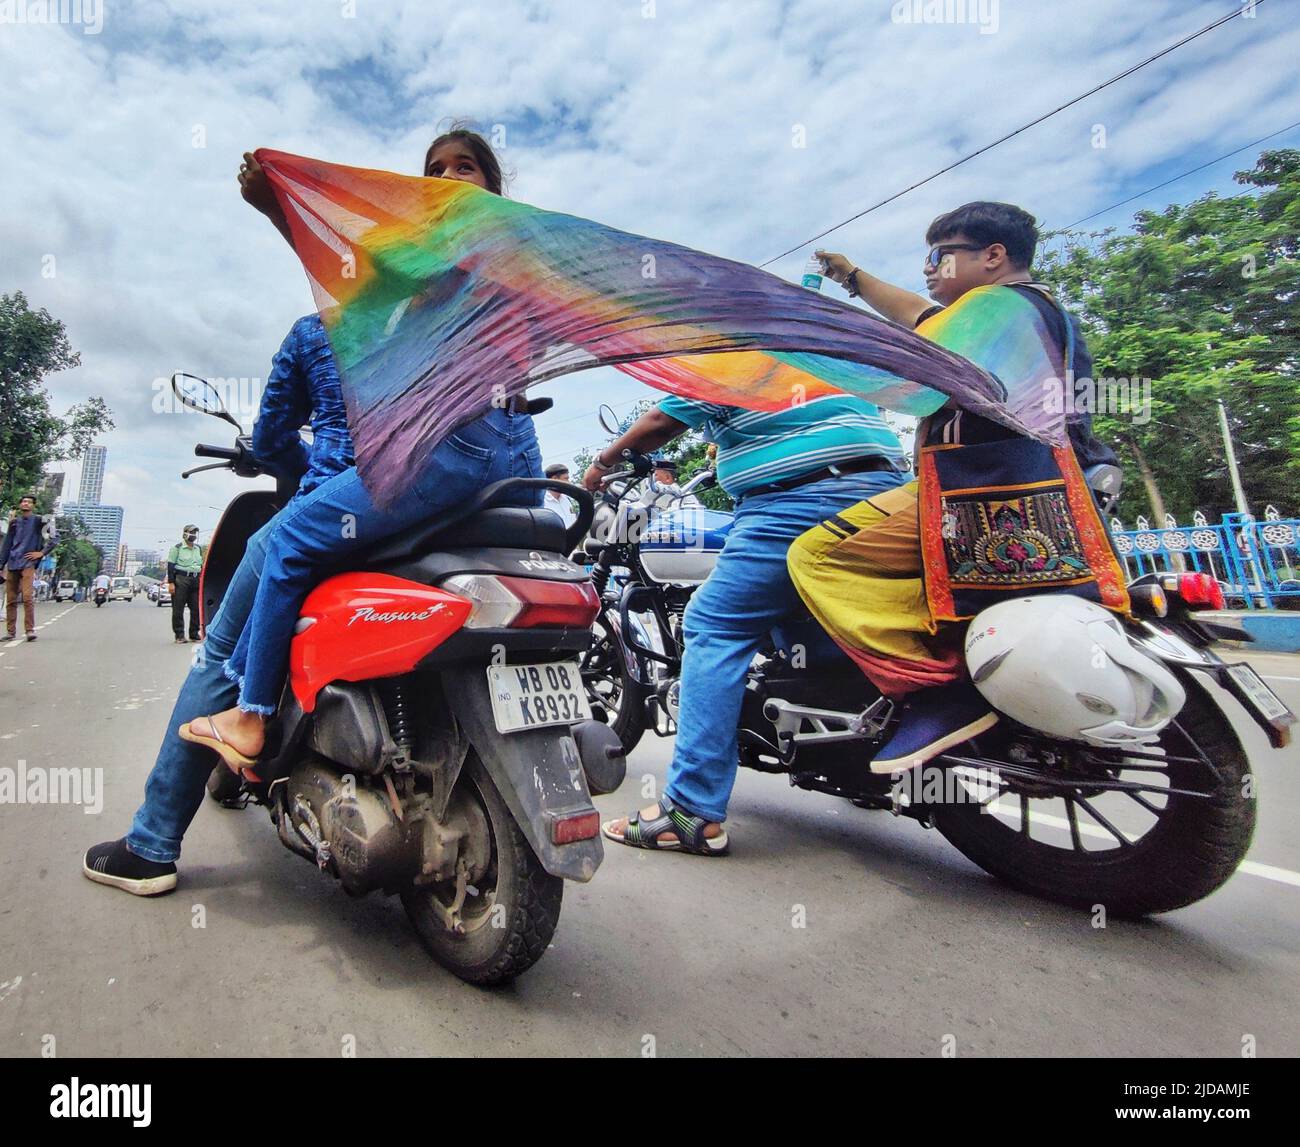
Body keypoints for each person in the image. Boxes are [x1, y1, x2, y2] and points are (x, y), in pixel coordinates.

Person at [176, 127, 543, 772]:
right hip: (519, 455)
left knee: (286, 542)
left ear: (492, 186)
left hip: (455, 449)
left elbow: (345, 279)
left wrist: (276, 207)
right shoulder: (526, 259)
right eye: (436, 169)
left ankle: (251, 715)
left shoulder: (454, 252)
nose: (449, 177)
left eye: (466, 167)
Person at [791, 201, 1122, 772]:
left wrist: (799, 335)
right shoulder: (1021, 313)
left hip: (995, 487)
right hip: (1048, 483)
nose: (927, 269)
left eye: (939, 256)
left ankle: (933, 690)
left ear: (993, 257)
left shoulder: (994, 308)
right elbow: (918, 315)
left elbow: (902, 366)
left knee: (816, 557)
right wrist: (852, 278)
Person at [83, 290, 360, 894]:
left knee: (218, 654)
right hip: (441, 509)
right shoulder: (446, 324)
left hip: (332, 503)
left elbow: (271, 437)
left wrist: (297, 456)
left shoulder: (320, 330)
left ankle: (151, 844)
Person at [592, 390, 909, 854]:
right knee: (817, 616)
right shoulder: (814, 338)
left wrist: (601, 463)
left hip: (800, 501)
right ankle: (858, 760)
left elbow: (661, 421)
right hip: (890, 495)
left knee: (712, 626)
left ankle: (691, 811)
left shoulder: (728, 340)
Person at [1, 495, 57, 642]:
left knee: (27, 597)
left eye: (29, 502)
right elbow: (7, 545)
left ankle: (29, 630)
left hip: (28, 563)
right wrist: (1, 565)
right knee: (11, 600)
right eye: (24, 501)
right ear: (20, 505)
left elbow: (54, 537)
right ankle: (10, 632)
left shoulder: (40, 520)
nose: (26, 504)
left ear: (33, 506)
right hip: (12, 563)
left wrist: (42, 553)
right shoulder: (14, 523)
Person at [166, 525, 204, 642]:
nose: (193, 535)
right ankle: (179, 635)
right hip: (181, 579)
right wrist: (171, 583)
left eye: (195, 533)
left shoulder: (198, 548)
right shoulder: (177, 548)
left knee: (196, 608)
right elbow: (171, 566)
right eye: (191, 532)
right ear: (185, 533)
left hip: (195, 580)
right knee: (178, 608)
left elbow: (200, 565)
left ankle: (194, 633)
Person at [543, 463, 577, 527]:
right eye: (566, 479)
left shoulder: (568, 499)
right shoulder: (542, 502)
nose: (569, 482)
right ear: (555, 479)